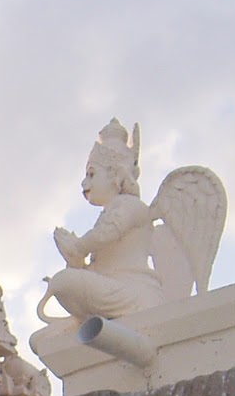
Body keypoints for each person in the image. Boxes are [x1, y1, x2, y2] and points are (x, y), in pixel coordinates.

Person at [39, 119, 162, 323]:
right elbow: (97, 265)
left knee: (65, 281)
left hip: (136, 294)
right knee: (64, 284)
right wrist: (74, 260)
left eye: (92, 174)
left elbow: (106, 233)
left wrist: (77, 247)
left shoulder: (131, 206)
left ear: (115, 174)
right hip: (111, 287)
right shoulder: (108, 212)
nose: (85, 181)